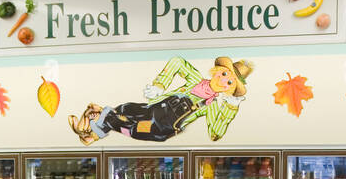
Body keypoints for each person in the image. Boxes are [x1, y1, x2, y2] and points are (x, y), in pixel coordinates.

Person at [69, 55, 253, 144]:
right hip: (153, 110)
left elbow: (216, 133)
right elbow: (177, 61)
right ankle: (96, 124)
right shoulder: (195, 79)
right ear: (216, 70)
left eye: (229, 82)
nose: (222, 81)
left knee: (131, 128)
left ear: (230, 90)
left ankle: (94, 128)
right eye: (223, 73)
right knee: (126, 108)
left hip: (160, 127)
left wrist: (230, 108)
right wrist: (159, 85)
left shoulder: (210, 106)